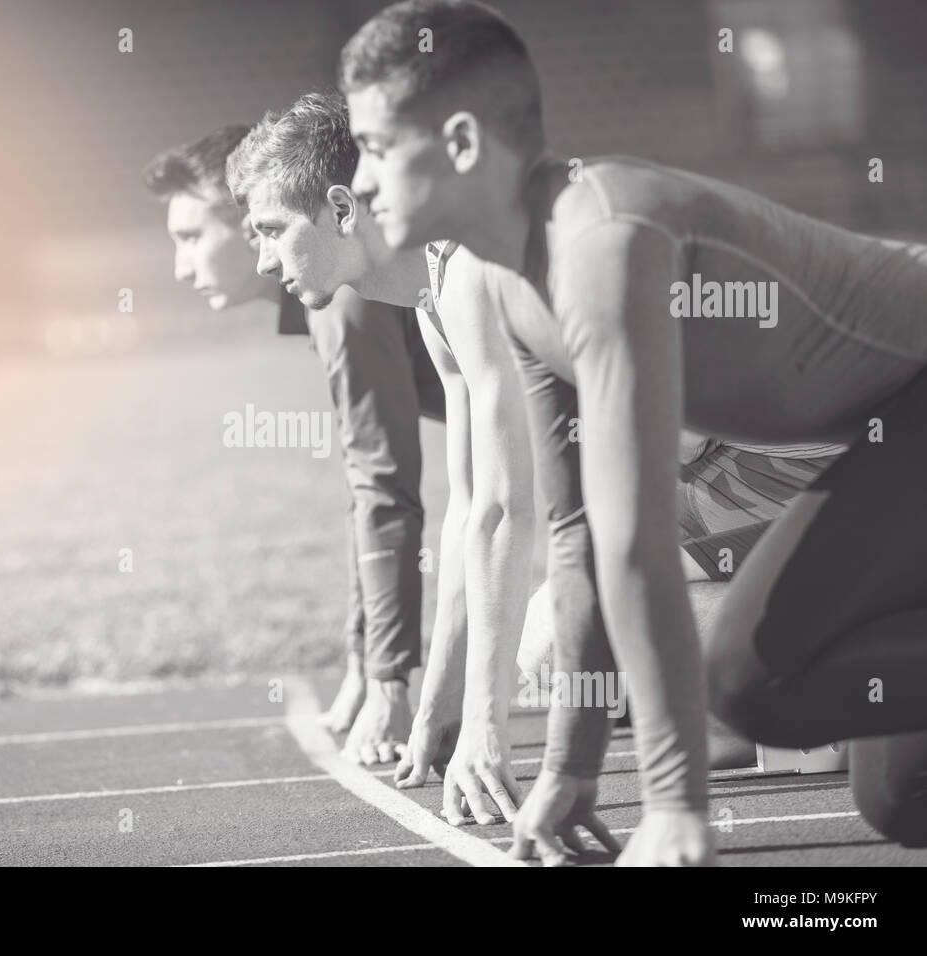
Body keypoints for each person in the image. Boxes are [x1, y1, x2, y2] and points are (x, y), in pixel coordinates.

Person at [340, 0, 927, 863]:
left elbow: (637, 541)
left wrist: (675, 803)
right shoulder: (511, 286)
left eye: (379, 148)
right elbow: (576, 540)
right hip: (893, 433)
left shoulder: (603, 240)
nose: (358, 181)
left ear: (461, 144)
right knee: (902, 798)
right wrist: (573, 769)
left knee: (749, 677)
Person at [143, 125, 445, 764]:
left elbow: (382, 484)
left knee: (568, 662)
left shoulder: (341, 295)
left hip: (661, 471)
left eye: (193, 237)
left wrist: (388, 683)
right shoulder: (327, 285)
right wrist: (363, 659)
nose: (180, 265)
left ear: (247, 220)